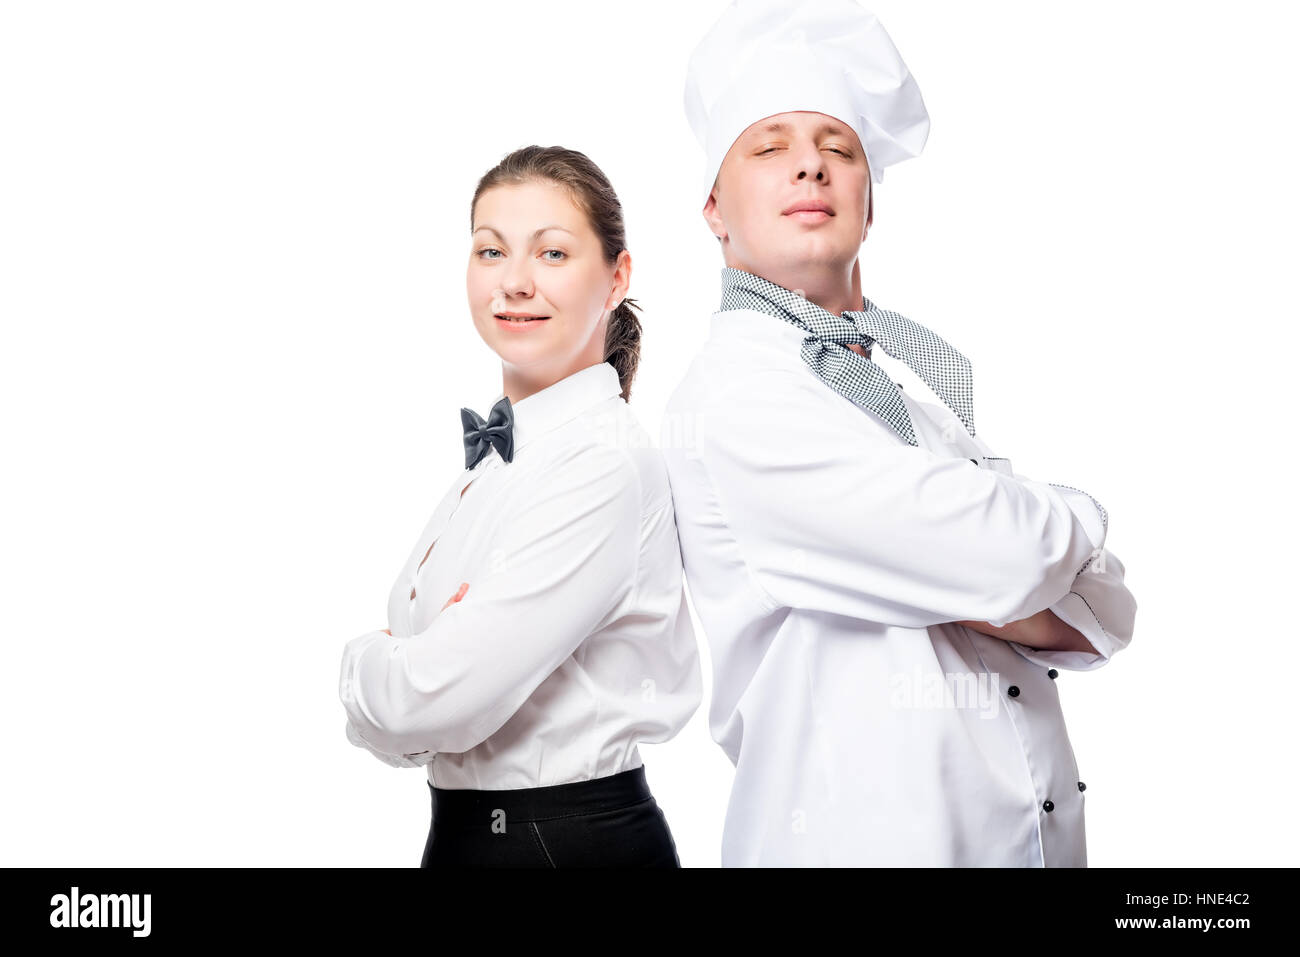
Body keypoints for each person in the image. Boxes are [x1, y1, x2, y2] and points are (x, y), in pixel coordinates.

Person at [662, 0, 1138, 866]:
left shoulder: (906, 392)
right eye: (769, 146)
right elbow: (1012, 558)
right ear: (713, 211)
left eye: (840, 150)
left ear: (869, 207)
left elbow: (1107, 611)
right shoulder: (735, 395)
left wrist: (985, 561)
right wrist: (1069, 521)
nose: (810, 164)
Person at [339, 145, 702, 868]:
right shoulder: (502, 460)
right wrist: (416, 671)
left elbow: (436, 701)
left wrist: (362, 663)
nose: (514, 282)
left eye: (553, 253)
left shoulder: (600, 465)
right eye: (490, 250)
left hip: (561, 843)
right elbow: (432, 699)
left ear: (616, 277)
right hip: (478, 836)